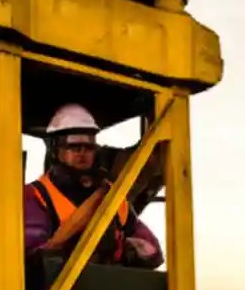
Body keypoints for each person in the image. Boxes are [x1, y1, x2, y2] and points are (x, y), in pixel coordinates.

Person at [23, 103, 164, 268]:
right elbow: (33, 259)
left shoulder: (112, 196)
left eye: (89, 146)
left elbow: (154, 253)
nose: (82, 153)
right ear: (56, 150)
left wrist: (129, 250)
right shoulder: (36, 195)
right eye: (74, 146)